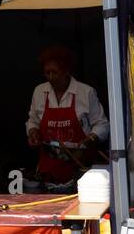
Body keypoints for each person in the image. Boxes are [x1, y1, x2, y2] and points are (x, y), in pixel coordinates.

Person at [25, 45, 109, 184]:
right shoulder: (39, 91)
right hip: (48, 170)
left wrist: (90, 139)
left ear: (66, 72)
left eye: (55, 72)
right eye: (47, 73)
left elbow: (102, 124)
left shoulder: (85, 92)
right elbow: (33, 120)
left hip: (80, 168)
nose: (50, 77)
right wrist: (33, 132)